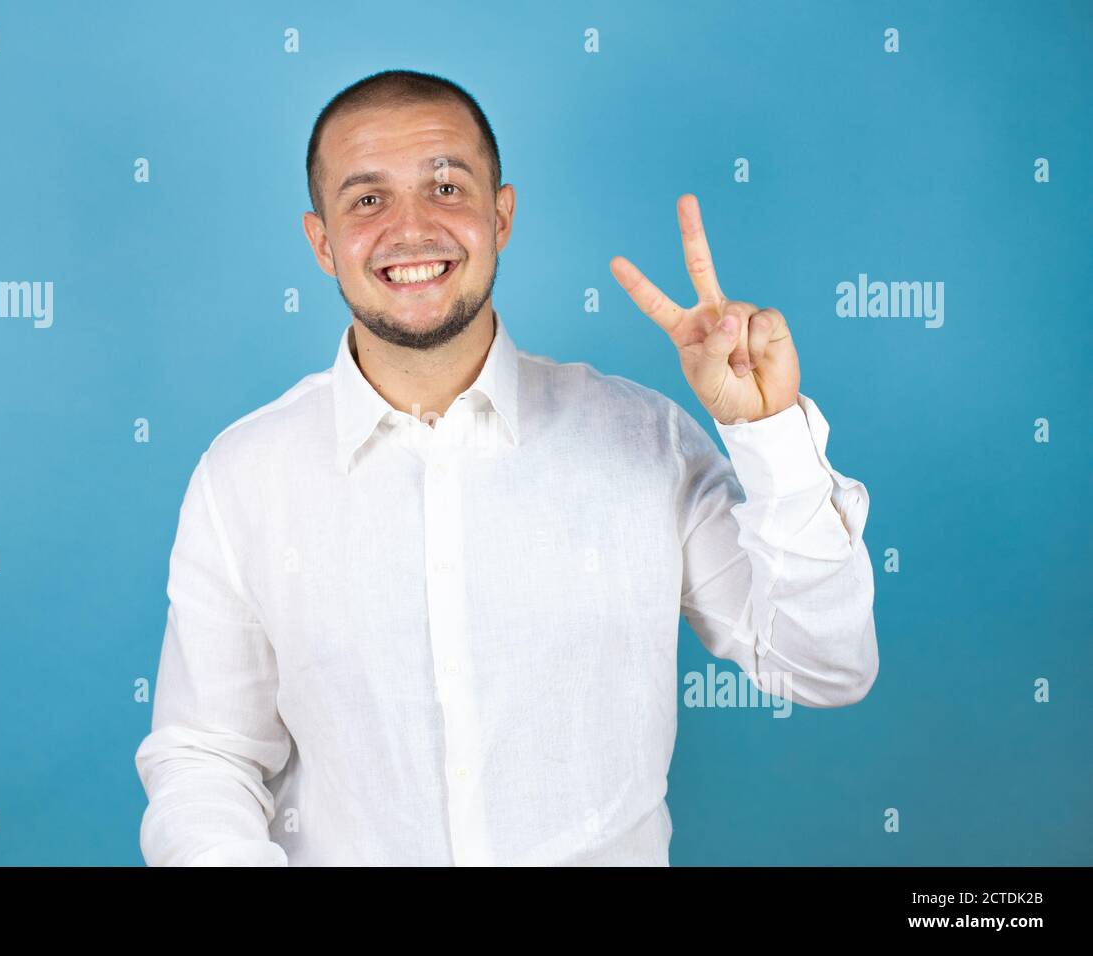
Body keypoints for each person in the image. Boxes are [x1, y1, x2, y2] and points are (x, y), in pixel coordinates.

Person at [133, 69, 878, 866]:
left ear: (502, 215)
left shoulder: (645, 440)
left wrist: (768, 432)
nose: (411, 230)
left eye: (447, 186)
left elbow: (824, 664)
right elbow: (207, 756)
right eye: (367, 200)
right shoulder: (244, 477)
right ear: (322, 243)